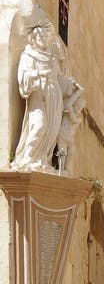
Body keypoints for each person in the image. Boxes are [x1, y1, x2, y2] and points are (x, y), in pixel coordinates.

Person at [11, 22, 78, 174]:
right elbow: (24, 77)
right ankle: (27, 159)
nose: (42, 37)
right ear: (33, 38)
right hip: (39, 95)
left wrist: (70, 84)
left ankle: (42, 160)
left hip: (54, 97)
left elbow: (59, 78)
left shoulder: (52, 59)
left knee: (52, 129)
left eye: (44, 35)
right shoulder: (28, 55)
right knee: (39, 124)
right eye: (39, 35)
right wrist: (39, 74)